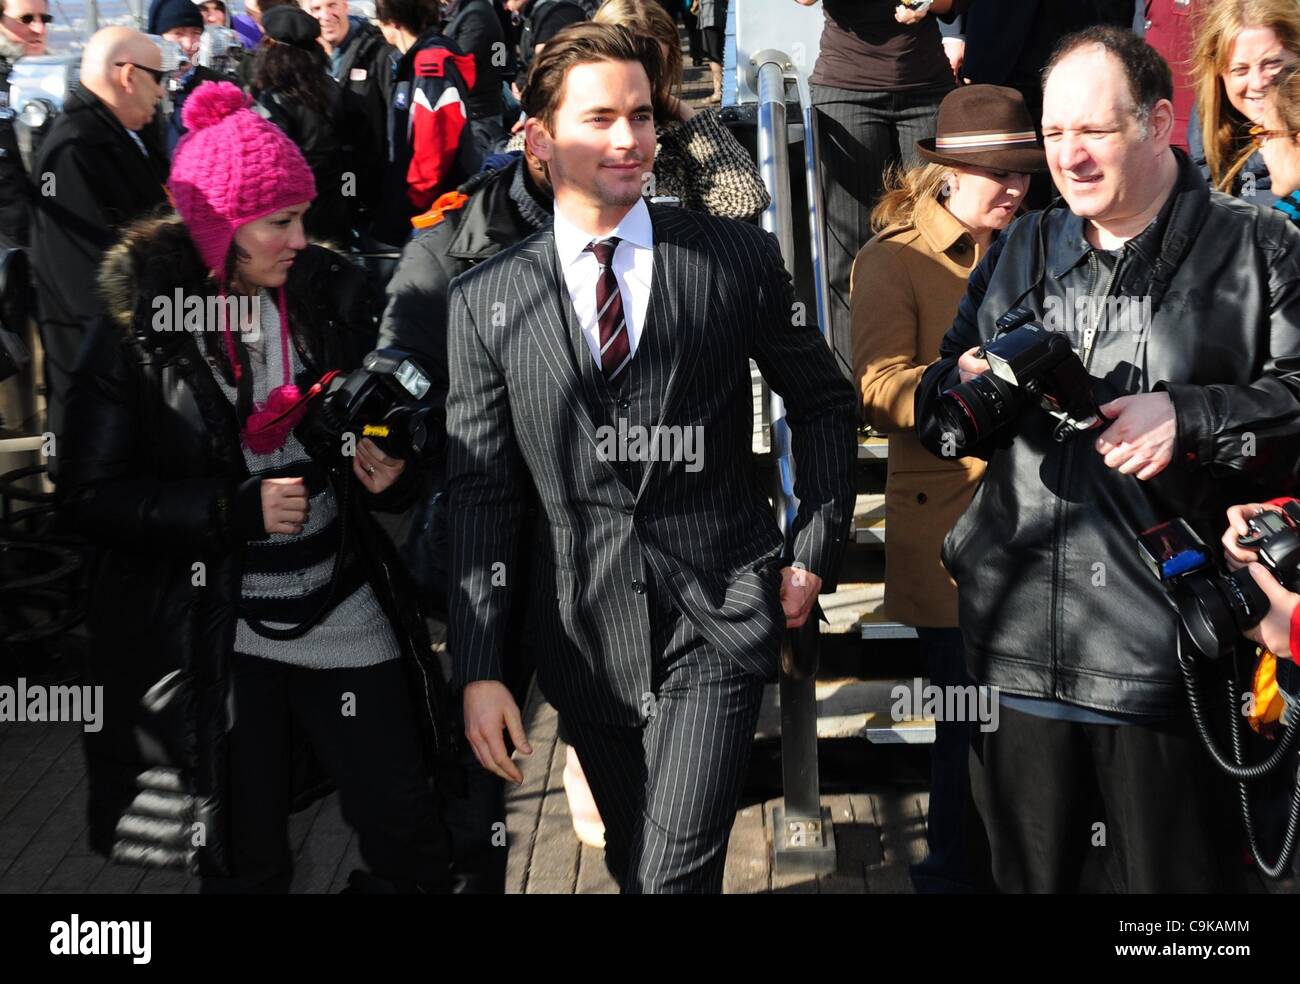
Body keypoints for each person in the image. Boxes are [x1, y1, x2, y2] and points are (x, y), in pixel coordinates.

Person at [446, 22, 857, 893]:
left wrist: (812, 551)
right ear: (541, 139)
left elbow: (823, 402)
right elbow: (481, 493)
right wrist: (481, 667)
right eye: (600, 118)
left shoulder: (732, 258)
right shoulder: (484, 299)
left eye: (641, 115)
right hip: (582, 637)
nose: (630, 139)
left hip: (719, 612)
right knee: (643, 872)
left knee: (671, 877)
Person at [913, 25, 1300, 892]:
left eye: (1093, 130)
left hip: (1170, 658)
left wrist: (1191, 414)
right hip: (1013, 650)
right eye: (1054, 135)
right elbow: (947, 394)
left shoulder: (1259, 245)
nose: (1069, 156)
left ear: (1160, 120)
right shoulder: (1023, 245)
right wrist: (967, 379)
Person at [61, 80, 455, 893]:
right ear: (219, 225)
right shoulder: (141, 330)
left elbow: (391, 430)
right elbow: (88, 495)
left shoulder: (326, 296)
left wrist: (388, 468)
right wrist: (227, 511)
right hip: (222, 632)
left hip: (342, 603)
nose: (300, 240)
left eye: (305, 216)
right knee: (248, 864)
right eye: (280, 221)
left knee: (411, 834)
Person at [852, 84, 1043, 893]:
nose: (1014, 187)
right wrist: (953, 383)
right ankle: (953, 879)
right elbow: (875, 386)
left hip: (1045, 524)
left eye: (1023, 172)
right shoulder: (893, 257)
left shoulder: (1043, 243)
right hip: (952, 532)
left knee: (1031, 738)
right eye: (996, 172)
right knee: (966, 732)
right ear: (946, 174)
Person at [794, 0, 967, 379]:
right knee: (849, 251)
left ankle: (943, 379)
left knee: (941, 240)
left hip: (926, 89)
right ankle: (856, 389)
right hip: (845, 90)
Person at [28, 27, 171, 473]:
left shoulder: (114, 135)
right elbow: (86, 283)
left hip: (126, 366)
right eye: (158, 78)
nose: (163, 91)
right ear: (128, 75)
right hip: (99, 378)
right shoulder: (74, 149)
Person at [594, 0, 768, 220]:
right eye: (634, 62)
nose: (645, 77)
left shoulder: (676, 135)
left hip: (671, 252)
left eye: (657, 67)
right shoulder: (576, 129)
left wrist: (689, 116)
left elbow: (746, 201)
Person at [371, 0, 477, 246]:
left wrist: (408, 209)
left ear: (392, 22)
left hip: (434, 210)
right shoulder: (411, 60)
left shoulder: (430, 66)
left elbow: (434, 151)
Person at [249, 5, 352, 242]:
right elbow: (350, 157)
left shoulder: (271, 99)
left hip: (293, 218)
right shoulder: (333, 88)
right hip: (334, 212)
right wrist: (350, 198)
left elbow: (270, 166)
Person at [1188, 0, 1300, 206]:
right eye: (1240, 70)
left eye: (1273, 63)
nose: (1258, 83)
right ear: (1220, 77)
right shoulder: (1205, 139)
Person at [306, 0, 396, 230]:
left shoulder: (378, 51)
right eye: (316, 9)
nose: (325, 15)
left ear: (345, 5)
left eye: (332, 5)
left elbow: (395, 125)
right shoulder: (304, 60)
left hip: (375, 191)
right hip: (328, 194)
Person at [150, 0, 232, 154]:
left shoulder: (220, 86)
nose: (188, 44)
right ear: (158, 38)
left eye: (195, 33)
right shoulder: (144, 88)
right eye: (178, 33)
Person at [0, 0, 51, 248]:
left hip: (45, 240)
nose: (39, 29)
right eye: (26, 19)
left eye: (45, 19)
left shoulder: (57, 82)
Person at [443, 0, 510, 161]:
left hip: (479, 114)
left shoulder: (476, 16)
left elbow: (457, 66)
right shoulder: (477, 10)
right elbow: (499, 59)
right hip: (482, 107)